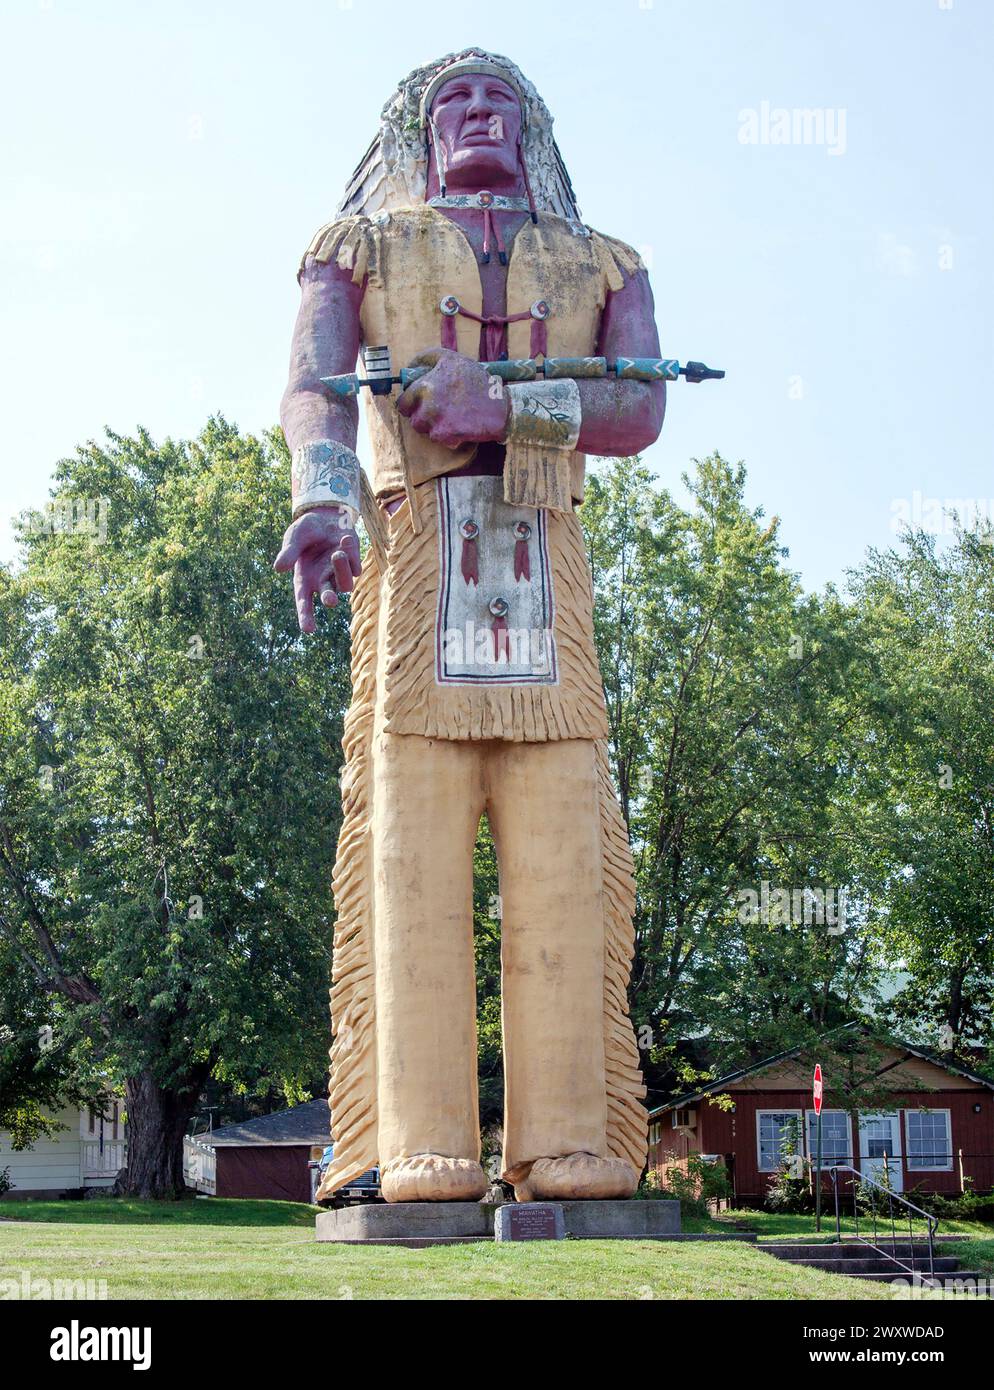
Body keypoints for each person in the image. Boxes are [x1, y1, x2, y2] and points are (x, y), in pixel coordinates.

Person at [276, 49, 664, 1203]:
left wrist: (504, 402)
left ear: (533, 130)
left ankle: (566, 1137)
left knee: (564, 856)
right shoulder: (356, 249)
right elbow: (312, 386)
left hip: (548, 561)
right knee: (408, 855)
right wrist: (320, 495)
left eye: (500, 98)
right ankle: (412, 1135)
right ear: (417, 135)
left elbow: (640, 404)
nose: (479, 112)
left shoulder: (605, 262)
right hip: (412, 566)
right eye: (454, 101)